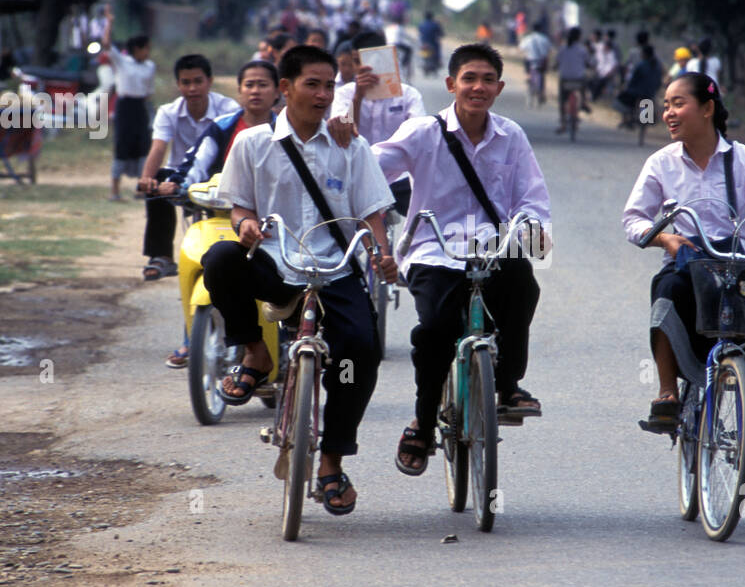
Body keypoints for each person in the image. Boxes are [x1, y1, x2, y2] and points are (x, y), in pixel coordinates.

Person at [203, 45, 396, 516]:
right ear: (285, 88)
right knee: (220, 258)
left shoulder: (351, 146)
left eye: (330, 85)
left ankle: (331, 459)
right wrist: (245, 225)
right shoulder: (253, 143)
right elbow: (240, 206)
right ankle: (254, 351)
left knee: (360, 349)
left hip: (334, 267)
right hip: (277, 262)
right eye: (312, 84)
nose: (324, 94)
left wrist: (381, 255)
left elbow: (372, 210)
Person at [621, 72, 745, 481]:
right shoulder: (661, 164)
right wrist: (666, 239)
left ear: (707, 109)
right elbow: (633, 220)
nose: (668, 113)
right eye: (666, 104)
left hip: (740, 266)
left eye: (678, 103)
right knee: (666, 290)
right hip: (688, 267)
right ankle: (667, 393)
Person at [371, 43, 551, 476]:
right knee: (435, 330)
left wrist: (529, 226)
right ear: (451, 84)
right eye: (469, 78)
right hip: (434, 251)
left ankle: (507, 385)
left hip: (492, 248)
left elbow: (532, 196)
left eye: (488, 79)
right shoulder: (422, 132)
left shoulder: (512, 136)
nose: (478, 87)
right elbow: (372, 170)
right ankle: (421, 422)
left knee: (523, 285)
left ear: (499, 87)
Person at [154, 59, 281, 369]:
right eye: (249, 85)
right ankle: (190, 337)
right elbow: (195, 163)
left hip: (273, 225)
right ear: (238, 91)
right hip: (218, 215)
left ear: (278, 92)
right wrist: (176, 185)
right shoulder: (222, 127)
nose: (255, 91)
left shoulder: (286, 130)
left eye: (262, 85)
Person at [137, 55, 239, 281]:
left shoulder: (228, 108)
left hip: (217, 175)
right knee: (157, 180)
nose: (192, 88)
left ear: (209, 82)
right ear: (178, 85)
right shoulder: (168, 111)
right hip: (179, 175)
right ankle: (161, 255)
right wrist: (146, 179)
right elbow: (158, 148)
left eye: (198, 81)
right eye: (185, 82)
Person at [331, 30, 426, 215]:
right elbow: (344, 133)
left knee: (424, 218)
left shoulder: (408, 95)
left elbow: (419, 134)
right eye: (356, 62)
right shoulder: (345, 93)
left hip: (399, 178)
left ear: (383, 58)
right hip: (356, 177)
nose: (359, 68)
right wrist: (358, 98)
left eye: (364, 61)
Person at [102, 5, 156, 201]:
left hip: (140, 107)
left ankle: (141, 187)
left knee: (143, 145)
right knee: (122, 145)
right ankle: (114, 190)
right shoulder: (122, 61)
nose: (148, 52)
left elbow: (149, 91)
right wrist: (109, 22)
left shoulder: (150, 66)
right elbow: (106, 44)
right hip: (124, 107)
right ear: (136, 49)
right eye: (146, 48)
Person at [615, 44, 665, 131]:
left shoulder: (641, 65)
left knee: (624, 98)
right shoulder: (658, 66)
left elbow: (633, 79)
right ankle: (647, 119)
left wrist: (627, 87)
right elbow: (658, 80)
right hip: (651, 92)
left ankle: (629, 118)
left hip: (638, 91)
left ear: (644, 54)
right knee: (648, 101)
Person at [554, 26, 592, 134]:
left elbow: (556, 63)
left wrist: (555, 67)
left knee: (562, 101)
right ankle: (584, 102)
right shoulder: (582, 49)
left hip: (565, 80)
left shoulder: (562, 48)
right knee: (584, 85)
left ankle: (563, 124)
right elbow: (588, 63)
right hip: (578, 80)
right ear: (579, 37)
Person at [518, 24, 552, 106]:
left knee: (528, 73)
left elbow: (521, 48)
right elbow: (549, 50)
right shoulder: (544, 38)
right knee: (542, 75)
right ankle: (541, 93)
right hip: (541, 61)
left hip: (530, 61)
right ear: (540, 29)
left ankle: (528, 78)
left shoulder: (527, 39)